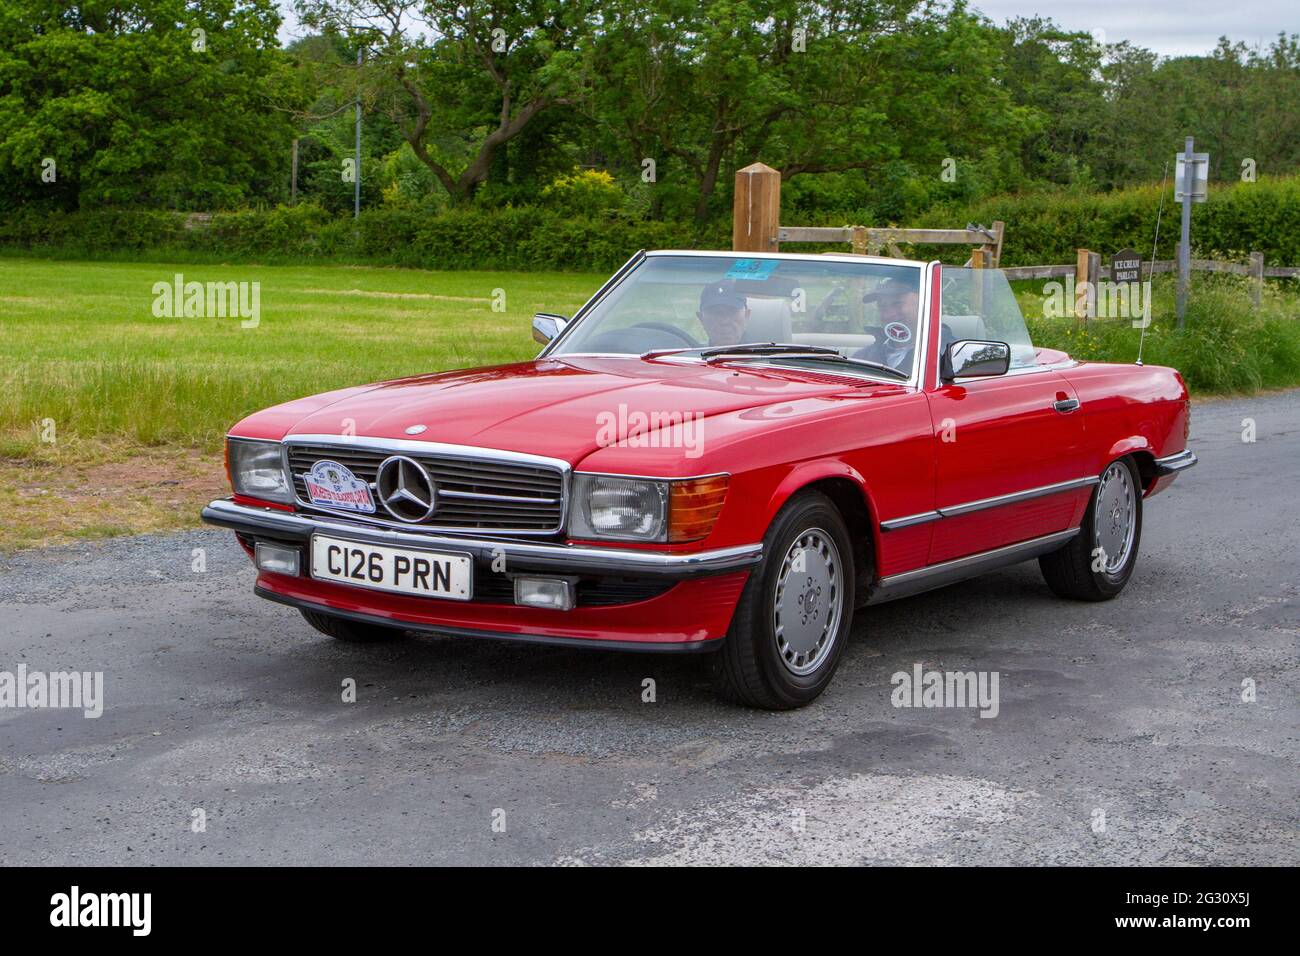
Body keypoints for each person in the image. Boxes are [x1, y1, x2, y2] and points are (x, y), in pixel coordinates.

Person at [854, 277, 920, 372]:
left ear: (921, 303)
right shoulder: (863, 357)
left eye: (897, 304)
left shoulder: (940, 354)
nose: (888, 315)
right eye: (882, 306)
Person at [697, 282, 750, 347]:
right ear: (701, 319)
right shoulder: (689, 352)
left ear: (746, 316)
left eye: (732, 312)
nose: (724, 321)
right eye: (716, 313)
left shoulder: (761, 351)